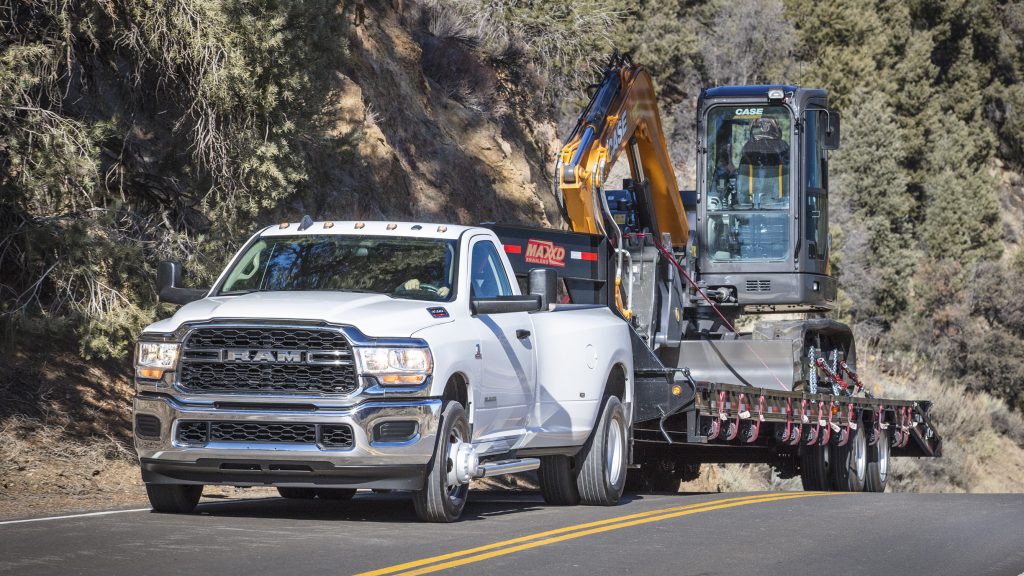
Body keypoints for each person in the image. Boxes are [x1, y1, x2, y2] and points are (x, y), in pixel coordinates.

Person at [737, 116, 790, 209]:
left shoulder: (747, 149)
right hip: (782, 208)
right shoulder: (784, 150)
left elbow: (742, 195)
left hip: (751, 208)